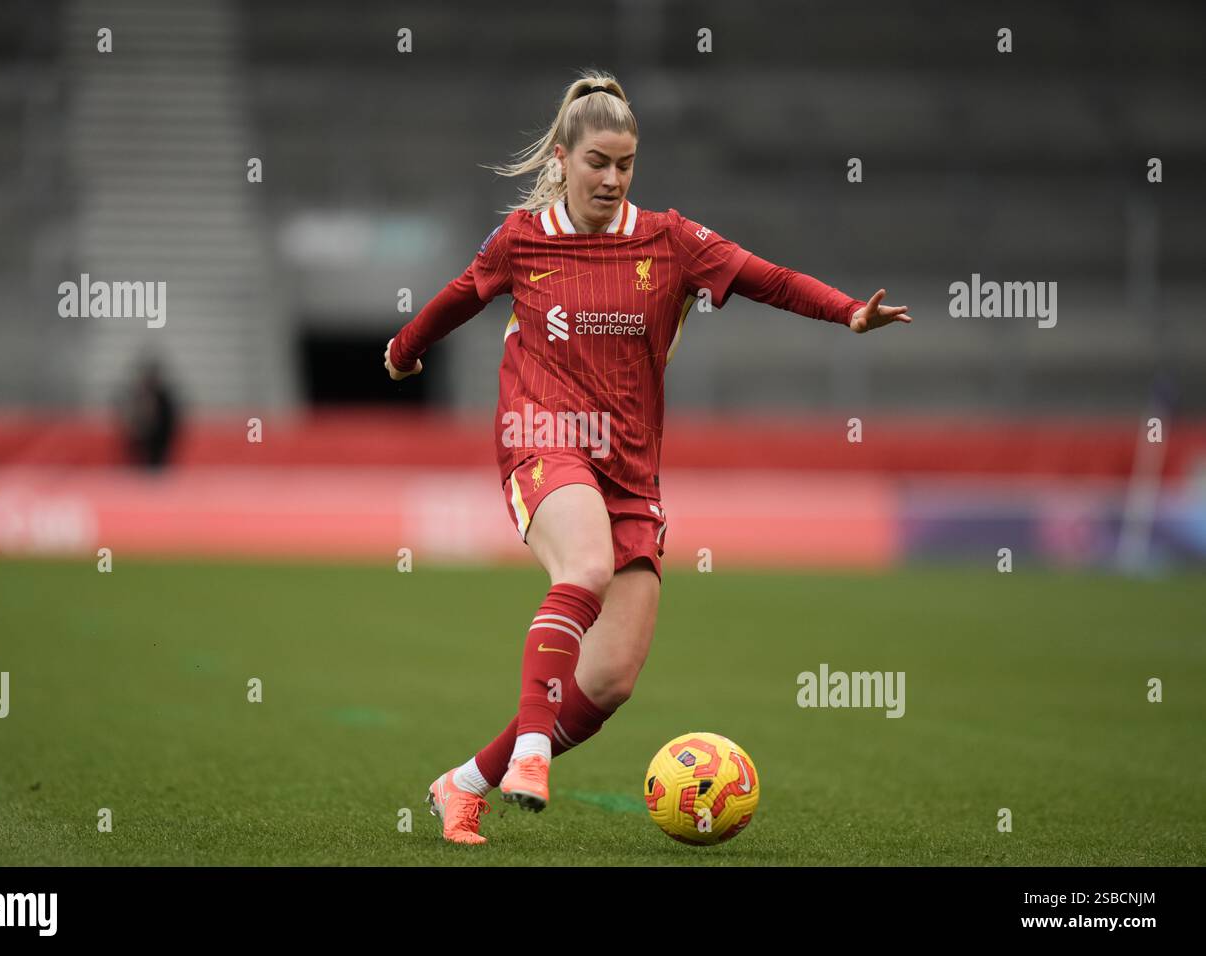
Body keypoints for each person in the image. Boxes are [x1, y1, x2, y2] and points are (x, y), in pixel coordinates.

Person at [384, 71, 912, 844]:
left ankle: (461, 785)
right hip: (543, 436)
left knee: (607, 680)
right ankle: (532, 751)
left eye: (625, 163)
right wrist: (403, 351)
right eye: (598, 160)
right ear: (562, 159)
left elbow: (767, 279)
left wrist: (848, 314)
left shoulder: (669, 240)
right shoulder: (522, 241)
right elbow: (460, 296)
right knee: (586, 566)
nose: (612, 177)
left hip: (629, 466)